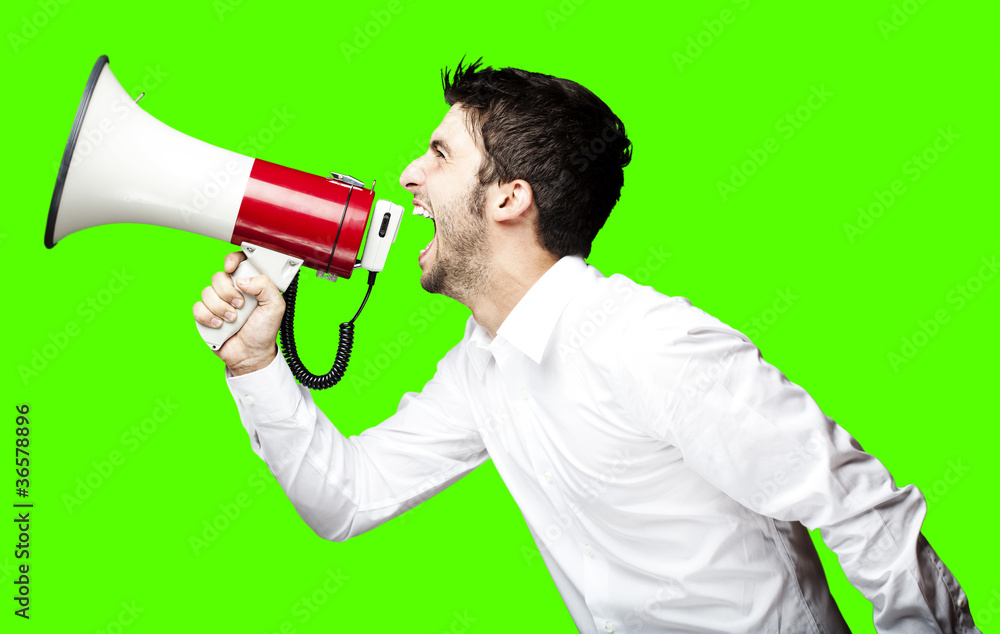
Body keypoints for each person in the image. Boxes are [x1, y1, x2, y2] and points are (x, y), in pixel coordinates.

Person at [192, 59, 979, 633]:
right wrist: (256, 364)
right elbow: (349, 499)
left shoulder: (648, 342)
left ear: (509, 197)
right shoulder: (483, 364)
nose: (406, 176)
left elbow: (861, 507)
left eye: (437, 155)